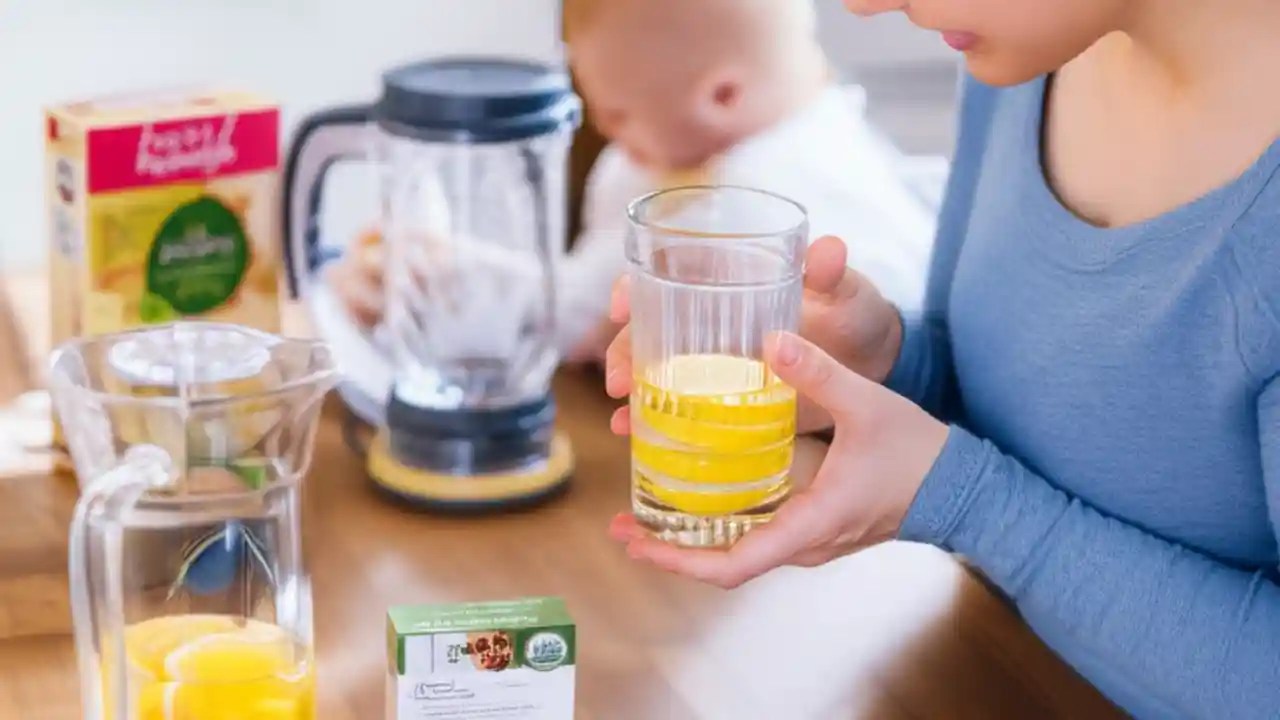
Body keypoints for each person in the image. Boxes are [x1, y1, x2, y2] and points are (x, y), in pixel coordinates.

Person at [604, 0, 1280, 718]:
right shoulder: (1030, 55)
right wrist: (890, 362)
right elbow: (1045, 411)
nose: (864, 6)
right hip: (985, 667)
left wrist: (966, 503)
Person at [327, 0, 937, 364]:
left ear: (722, 96)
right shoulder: (816, 129)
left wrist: (449, 273)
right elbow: (584, 301)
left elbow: (567, 313)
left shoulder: (746, 196)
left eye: (618, 114)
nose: (609, 134)